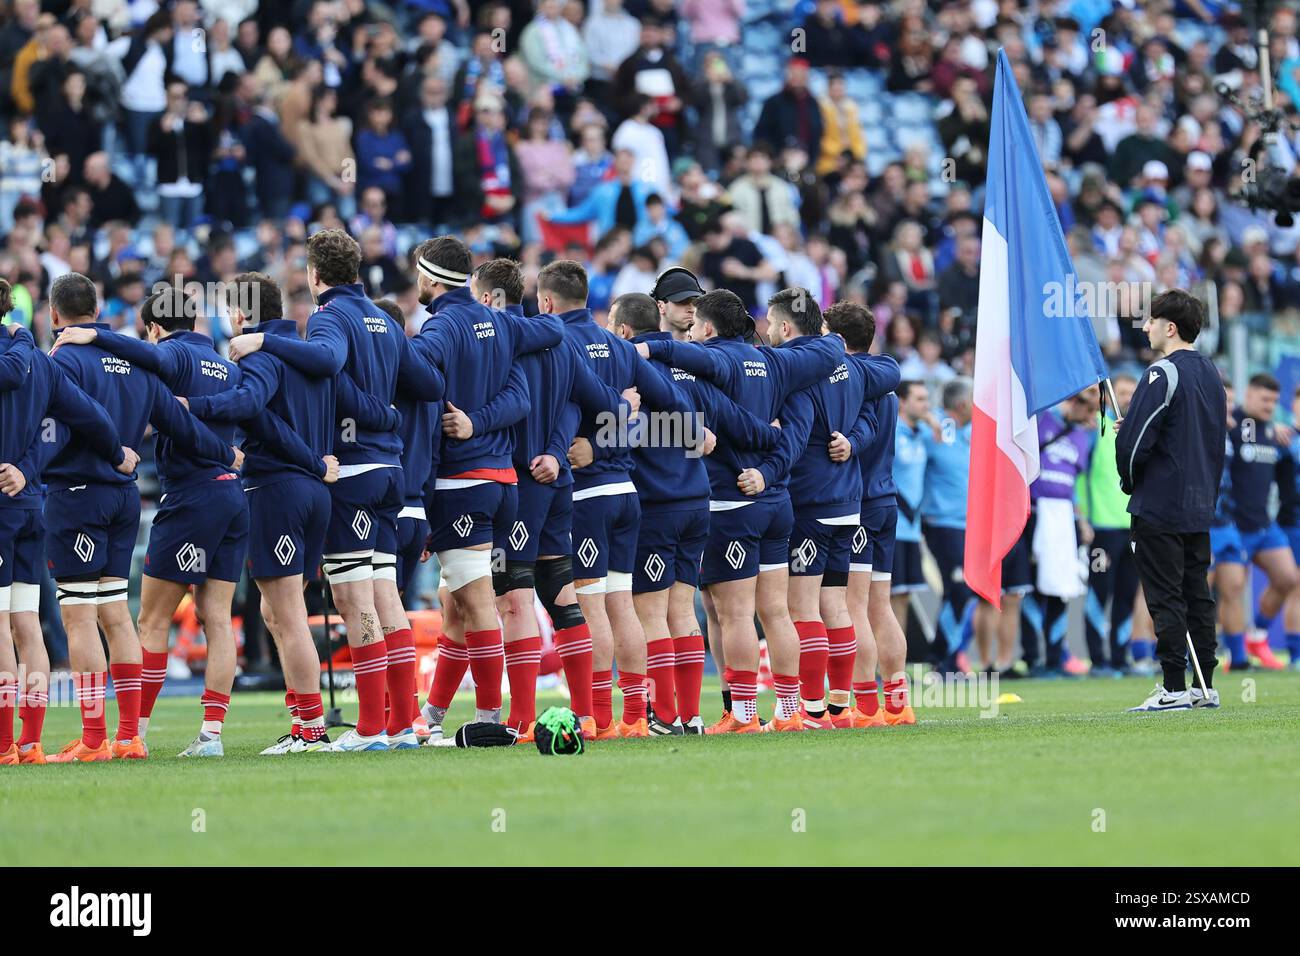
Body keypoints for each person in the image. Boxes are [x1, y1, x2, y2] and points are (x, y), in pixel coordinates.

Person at [53, 287, 334, 756]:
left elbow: (155, 379)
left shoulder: (173, 355)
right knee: (218, 620)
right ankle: (211, 737)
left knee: (152, 619)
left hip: (191, 497)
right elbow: (257, 418)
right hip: (232, 496)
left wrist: (93, 337)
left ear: (157, 328)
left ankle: (133, 733)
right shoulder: (228, 365)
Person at [228, 229, 446, 752]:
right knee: (384, 597)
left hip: (351, 471)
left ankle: (370, 727)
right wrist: (387, 411)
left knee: (354, 601)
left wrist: (264, 340)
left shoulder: (330, 317)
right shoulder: (383, 319)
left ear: (314, 275)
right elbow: (430, 385)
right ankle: (403, 724)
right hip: (391, 472)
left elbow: (325, 364)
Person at [41, 273, 240, 762]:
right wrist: (230, 456)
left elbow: (58, 422)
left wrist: (111, 453)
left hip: (78, 494)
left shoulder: (63, 359)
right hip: (126, 501)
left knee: (81, 617)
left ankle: (93, 740)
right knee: (117, 614)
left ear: (53, 314)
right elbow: (183, 426)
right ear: (99, 307)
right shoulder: (137, 365)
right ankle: (129, 736)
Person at [635, 289, 844, 733]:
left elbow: (682, 357)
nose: (690, 333)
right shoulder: (775, 362)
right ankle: (790, 713)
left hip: (731, 503)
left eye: (695, 327)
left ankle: (744, 715)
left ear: (708, 329)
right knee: (776, 612)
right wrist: (769, 472)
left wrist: (647, 346)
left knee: (731, 614)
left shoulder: (718, 363)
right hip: (777, 503)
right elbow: (829, 349)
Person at [185, 272, 353, 754]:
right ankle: (302, 724)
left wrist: (191, 405)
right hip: (314, 492)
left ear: (241, 314)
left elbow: (252, 408)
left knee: (288, 614)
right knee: (276, 611)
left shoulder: (261, 355)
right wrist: (318, 463)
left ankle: (311, 731)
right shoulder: (305, 351)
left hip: (279, 486)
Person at [409, 236, 562, 740]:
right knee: (457, 604)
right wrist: (480, 421)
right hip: (503, 485)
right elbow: (546, 342)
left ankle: (490, 719)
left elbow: (412, 383)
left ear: (431, 279)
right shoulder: (499, 324)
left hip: (461, 484)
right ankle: (430, 716)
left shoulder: (440, 329)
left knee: (476, 603)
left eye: (418, 276)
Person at [613, 290, 783, 733]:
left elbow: (617, 433)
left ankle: (663, 716)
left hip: (656, 504)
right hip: (697, 504)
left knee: (652, 613)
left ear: (624, 330)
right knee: (685, 612)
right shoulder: (693, 371)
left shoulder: (632, 369)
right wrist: (769, 436)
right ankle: (690, 716)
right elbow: (726, 428)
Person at [470, 258, 619, 741]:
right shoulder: (558, 340)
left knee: (514, 600)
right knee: (562, 596)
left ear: (490, 297)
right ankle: (588, 715)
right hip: (557, 484)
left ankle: (523, 719)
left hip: (518, 484)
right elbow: (597, 402)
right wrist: (562, 450)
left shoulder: (496, 341)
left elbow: (519, 405)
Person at [547, 259, 693, 738]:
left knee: (593, 609)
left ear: (547, 301)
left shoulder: (555, 341)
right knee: (623, 607)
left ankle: (596, 718)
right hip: (628, 494)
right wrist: (622, 423)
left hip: (589, 494)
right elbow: (678, 411)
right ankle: (635, 718)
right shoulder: (617, 345)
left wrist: (599, 441)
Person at [0, 281, 129, 766]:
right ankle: (30, 743)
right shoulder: (37, 360)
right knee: (28, 626)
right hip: (32, 503)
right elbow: (91, 416)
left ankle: (4, 747)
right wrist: (118, 455)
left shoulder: (22, 357)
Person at [1117, 289, 1227, 711]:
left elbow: (1136, 442)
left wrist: (1128, 480)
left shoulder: (1161, 372)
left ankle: (1173, 687)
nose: (1145, 328)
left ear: (1170, 327)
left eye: (1150, 320)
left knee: (1165, 596)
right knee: (1197, 594)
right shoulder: (1212, 373)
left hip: (1160, 505)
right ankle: (1204, 687)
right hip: (1199, 506)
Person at [825, 301, 913, 724]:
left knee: (853, 606)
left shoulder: (853, 382)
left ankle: (863, 706)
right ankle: (897, 704)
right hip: (885, 500)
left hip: (857, 502)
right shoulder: (886, 382)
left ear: (839, 340)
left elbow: (862, 432)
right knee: (880, 606)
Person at [1214, 373, 1297, 671]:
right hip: (1234, 524)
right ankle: (1232, 655)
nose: (1269, 405)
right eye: (1264, 399)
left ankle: (1257, 637)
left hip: (1264, 523)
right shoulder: (1231, 424)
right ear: (1249, 395)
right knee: (1231, 587)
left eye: (1275, 401)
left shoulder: (1275, 432)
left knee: (1288, 578)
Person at [1077, 372, 1142, 675]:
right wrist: (1083, 517)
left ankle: (1119, 657)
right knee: (1099, 593)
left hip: (1134, 528)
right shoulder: (1098, 426)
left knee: (1127, 594)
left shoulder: (1143, 430)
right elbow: (1079, 474)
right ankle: (1097, 660)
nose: (1128, 398)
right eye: (1123, 392)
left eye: (1133, 393)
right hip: (1102, 528)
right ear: (1112, 395)